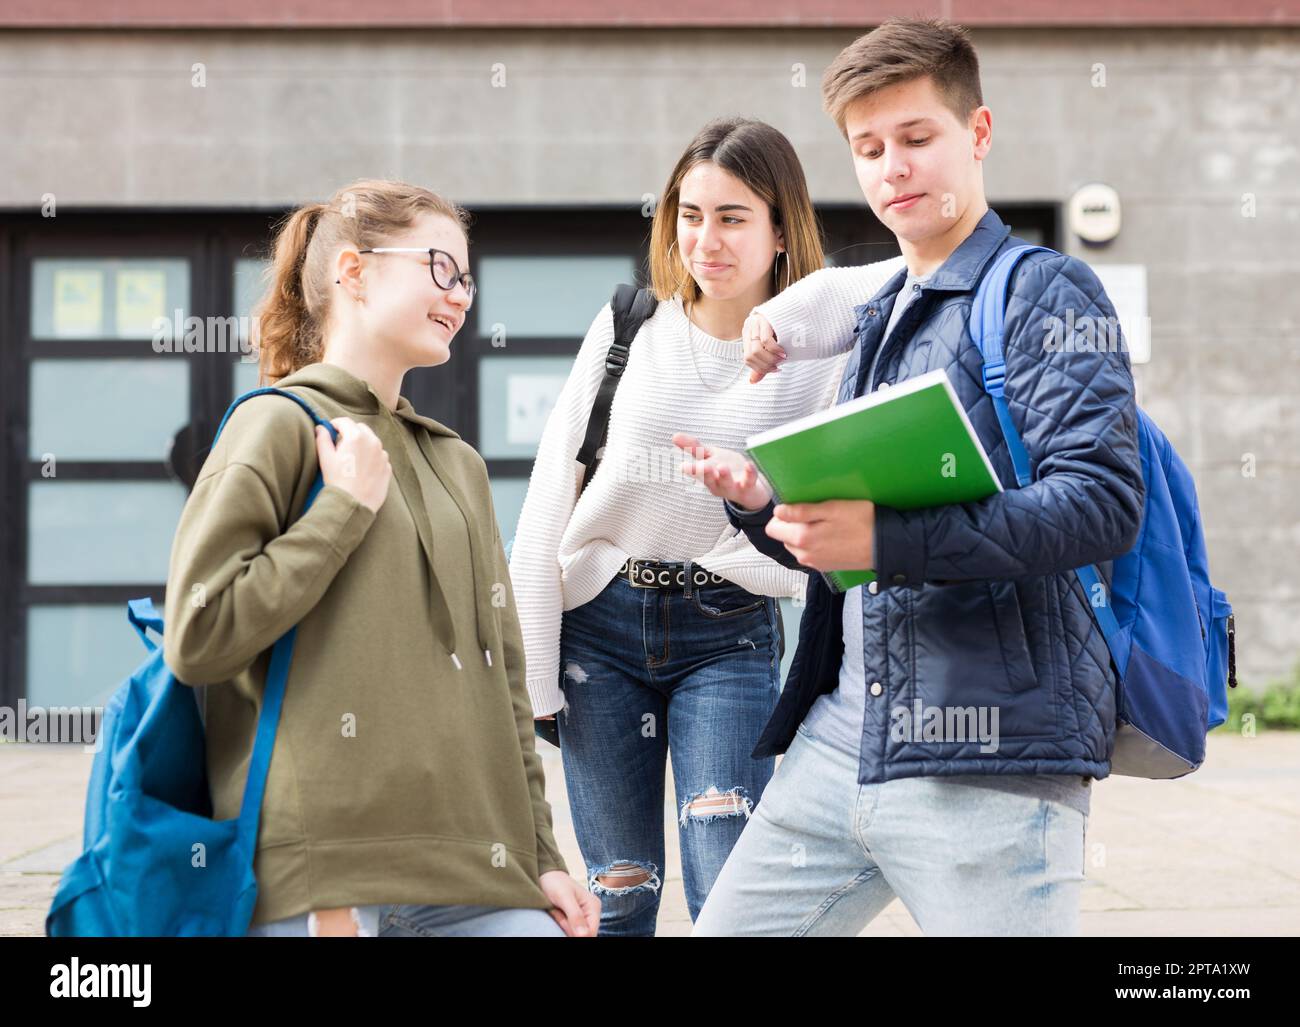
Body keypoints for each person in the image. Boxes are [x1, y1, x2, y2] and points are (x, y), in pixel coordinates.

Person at [680, 18, 1144, 936]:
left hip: (992, 769)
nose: (893, 165)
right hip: (838, 746)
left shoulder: (1047, 293)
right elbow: (857, 540)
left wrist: (887, 540)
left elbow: (1100, 501)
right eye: (869, 147)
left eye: (917, 138)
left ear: (976, 134)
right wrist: (770, 507)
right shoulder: (882, 309)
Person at [163, 178, 598, 938]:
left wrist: (542, 851)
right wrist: (341, 511)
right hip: (324, 868)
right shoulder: (275, 425)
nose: (461, 294)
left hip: (477, 867)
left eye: (466, 276)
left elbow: (504, 677)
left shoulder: (456, 463)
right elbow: (198, 635)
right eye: (440, 267)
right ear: (353, 272)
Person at [508, 118, 902, 935]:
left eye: (732, 217)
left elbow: (930, 262)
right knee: (619, 892)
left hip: (729, 633)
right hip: (599, 628)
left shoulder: (826, 350)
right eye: (690, 215)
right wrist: (532, 673)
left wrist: (790, 318)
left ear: (781, 229)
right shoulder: (629, 327)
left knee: (730, 895)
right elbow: (551, 494)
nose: (705, 239)